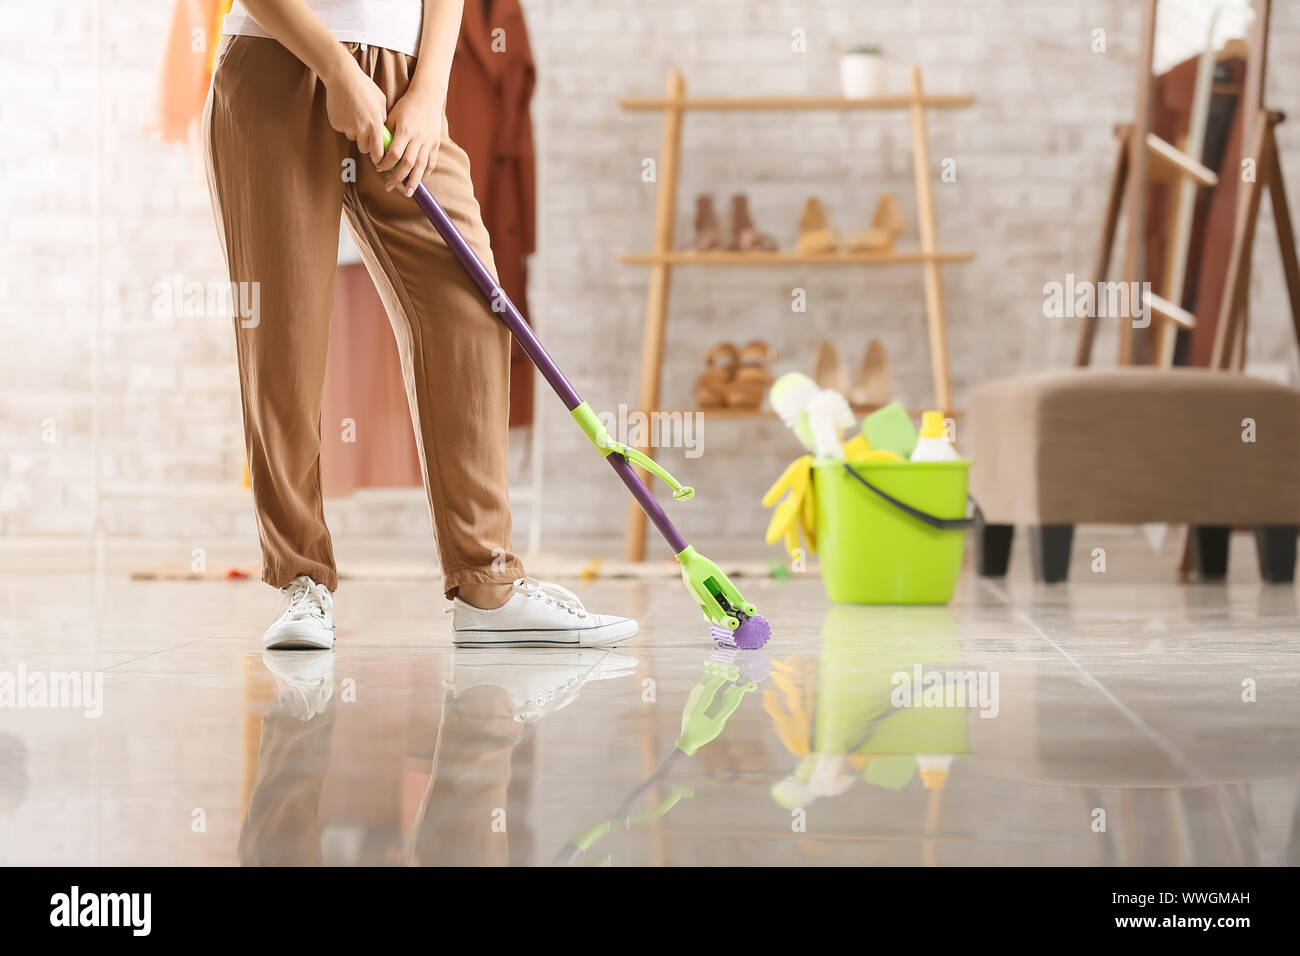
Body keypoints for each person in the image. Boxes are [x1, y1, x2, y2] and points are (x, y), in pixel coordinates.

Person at [203, 0, 637, 650]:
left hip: (403, 76)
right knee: (283, 337)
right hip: (276, 64)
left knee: (471, 306)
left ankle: (486, 584)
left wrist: (430, 89)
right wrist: (333, 67)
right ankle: (302, 580)